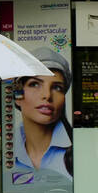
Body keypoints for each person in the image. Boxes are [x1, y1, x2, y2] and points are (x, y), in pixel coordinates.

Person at [11, 49, 72, 184]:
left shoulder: (78, 150)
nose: (47, 95)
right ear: (18, 97)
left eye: (57, 88)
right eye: (35, 84)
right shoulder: (8, 151)